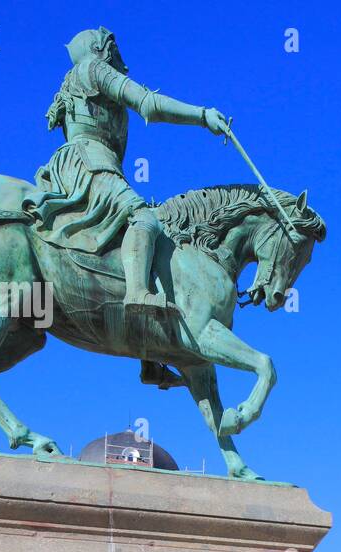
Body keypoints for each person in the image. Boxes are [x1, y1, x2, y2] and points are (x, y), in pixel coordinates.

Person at [24, 27, 233, 389]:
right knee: (142, 217)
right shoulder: (95, 69)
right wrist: (202, 116)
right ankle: (137, 293)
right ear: (101, 48)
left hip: (80, 162)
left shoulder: (73, 78)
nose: (121, 58)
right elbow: (148, 105)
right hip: (90, 162)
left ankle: (150, 360)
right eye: (114, 48)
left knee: (142, 238)